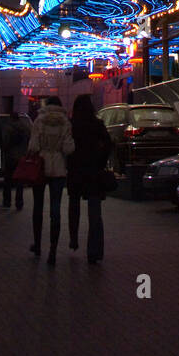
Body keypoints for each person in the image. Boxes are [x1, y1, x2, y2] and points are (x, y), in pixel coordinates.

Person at [27, 96, 73, 264]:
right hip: (59, 167)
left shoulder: (39, 121)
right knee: (56, 209)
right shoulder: (65, 123)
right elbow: (69, 148)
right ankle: (53, 250)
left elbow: (33, 146)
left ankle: (38, 245)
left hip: (41, 167)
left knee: (37, 207)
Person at [67, 94, 112, 264]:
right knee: (95, 213)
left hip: (76, 171)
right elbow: (108, 144)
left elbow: (67, 147)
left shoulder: (72, 126)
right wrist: (100, 160)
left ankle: (73, 239)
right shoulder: (97, 124)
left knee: (74, 206)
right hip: (94, 172)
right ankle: (94, 251)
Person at [0, 100, 32, 210]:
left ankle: (7, 201)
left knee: (7, 180)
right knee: (20, 182)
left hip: (10, 157)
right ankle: (19, 202)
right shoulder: (25, 127)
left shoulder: (8, 128)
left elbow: (5, 142)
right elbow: (28, 140)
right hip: (21, 157)